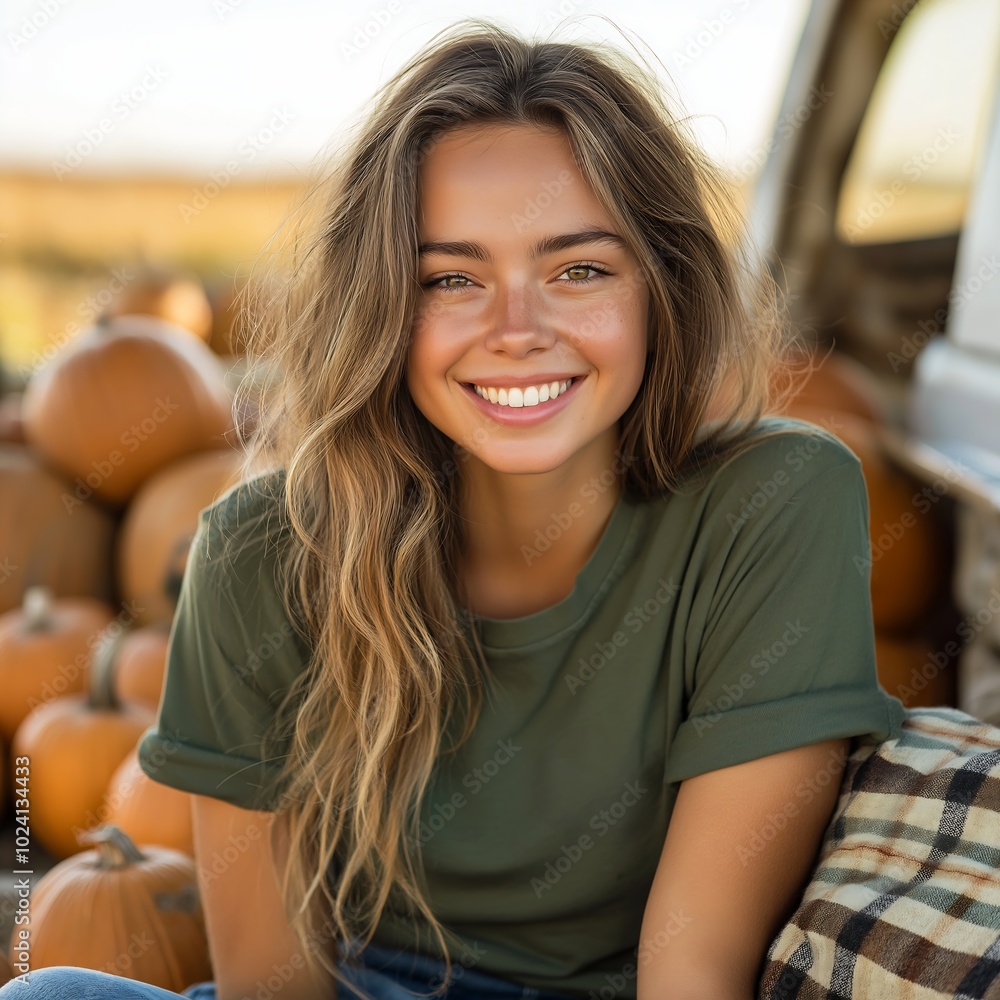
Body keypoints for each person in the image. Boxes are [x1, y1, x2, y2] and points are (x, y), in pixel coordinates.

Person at [1, 16, 906, 1000]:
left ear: (662, 285)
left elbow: (690, 975)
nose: (517, 330)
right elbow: (275, 984)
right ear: (384, 303)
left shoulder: (775, 501)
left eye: (579, 270)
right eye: (451, 279)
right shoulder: (259, 549)